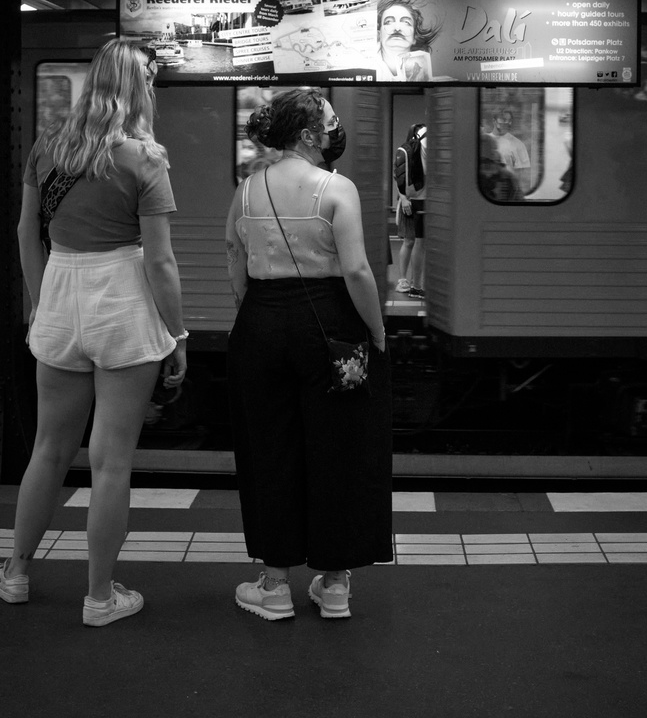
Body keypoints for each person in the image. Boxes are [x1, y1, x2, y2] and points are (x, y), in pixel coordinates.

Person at [0, 41, 187, 626]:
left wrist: (39, 303)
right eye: (151, 78)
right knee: (110, 462)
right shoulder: (144, 157)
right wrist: (178, 334)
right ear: (138, 85)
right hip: (121, 299)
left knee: (49, 448)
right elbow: (160, 262)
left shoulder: (49, 148)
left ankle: (15, 575)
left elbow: (28, 231)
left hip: (59, 292)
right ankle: (101, 598)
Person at [225, 88, 392, 621]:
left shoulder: (248, 189)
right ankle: (336, 584)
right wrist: (378, 331)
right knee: (338, 446)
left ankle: (275, 586)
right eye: (329, 119)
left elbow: (234, 252)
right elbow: (358, 271)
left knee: (269, 448)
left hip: (260, 322)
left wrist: (253, 309)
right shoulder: (337, 189)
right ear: (307, 135)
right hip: (331, 326)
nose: (336, 126)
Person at [376, 0, 442, 81]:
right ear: (379, 34)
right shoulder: (362, 63)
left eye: (406, 22)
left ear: (414, 37)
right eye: (388, 22)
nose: (397, 28)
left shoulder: (420, 70)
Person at [395, 123, 428, 300]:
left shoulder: (408, 149)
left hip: (409, 200)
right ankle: (416, 285)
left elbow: (398, 176)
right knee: (417, 243)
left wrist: (403, 198)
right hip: (421, 201)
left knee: (409, 242)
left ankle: (404, 281)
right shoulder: (426, 145)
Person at [488, 107, 532, 194]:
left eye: (509, 120)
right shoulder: (485, 141)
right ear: (494, 121)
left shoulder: (518, 145)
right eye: (503, 119)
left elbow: (521, 175)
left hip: (508, 189)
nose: (507, 123)